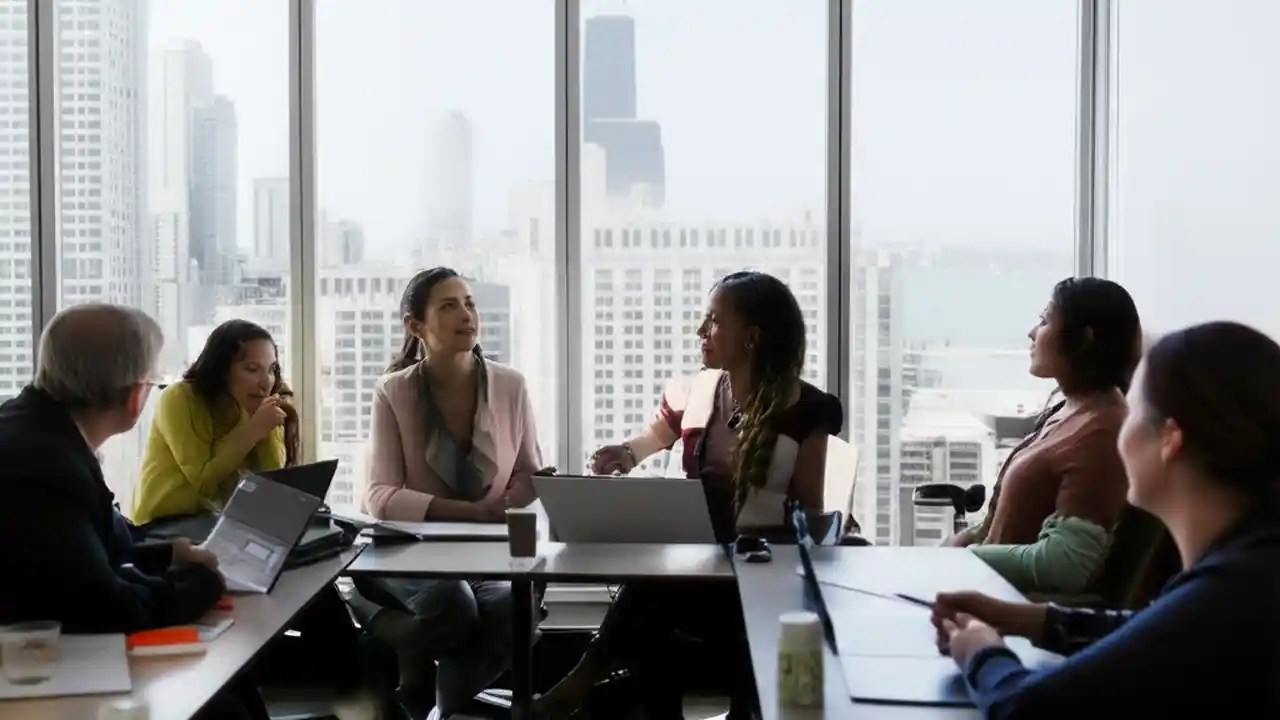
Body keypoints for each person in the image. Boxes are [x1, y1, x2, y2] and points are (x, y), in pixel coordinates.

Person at [933, 321, 1280, 717]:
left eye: (1133, 406)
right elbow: (1153, 634)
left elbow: (1024, 708)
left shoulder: (1231, 590)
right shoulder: (1250, 568)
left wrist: (979, 650)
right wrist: (1029, 619)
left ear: (1170, 440)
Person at [538, 271, 842, 719]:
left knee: (650, 598)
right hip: (699, 564)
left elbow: (809, 514)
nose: (701, 331)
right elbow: (658, 434)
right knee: (651, 593)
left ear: (752, 338)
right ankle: (595, 683)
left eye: (714, 321)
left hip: (760, 579)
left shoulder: (807, 410)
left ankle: (583, 679)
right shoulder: (701, 389)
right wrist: (625, 453)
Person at [0, 305, 263, 719]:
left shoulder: (30, 427)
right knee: (221, 705)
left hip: (45, 648)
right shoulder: (45, 464)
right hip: (37, 680)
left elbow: (87, 547)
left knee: (230, 688)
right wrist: (204, 581)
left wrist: (170, 553)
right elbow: (110, 606)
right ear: (135, 395)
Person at [350, 267, 545, 720]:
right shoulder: (395, 391)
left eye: (470, 303)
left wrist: (515, 496)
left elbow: (530, 471)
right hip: (412, 551)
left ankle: (433, 707)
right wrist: (472, 512)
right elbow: (379, 495)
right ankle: (374, 617)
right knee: (454, 609)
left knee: (511, 612)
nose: (466, 314)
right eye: (449, 305)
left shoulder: (510, 384)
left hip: (490, 549)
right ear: (416, 326)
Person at [946, 278, 1142, 595]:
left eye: (1044, 320)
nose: (1032, 332)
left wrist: (968, 560)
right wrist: (967, 538)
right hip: (986, 599)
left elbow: (1066, 563)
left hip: (1015, 621)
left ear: (1084, 340)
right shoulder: (1069, 411)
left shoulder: (1103, 433)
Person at [130, 319, 298, 526]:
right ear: (222, 370)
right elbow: (204, 484)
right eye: (252, 369)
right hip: (162, 525)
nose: (265, 382)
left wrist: (267, 432)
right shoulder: (179, 398)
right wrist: (254, 429)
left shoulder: (252, 407)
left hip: (214, 522)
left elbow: (270, 485)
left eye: (272, 370)